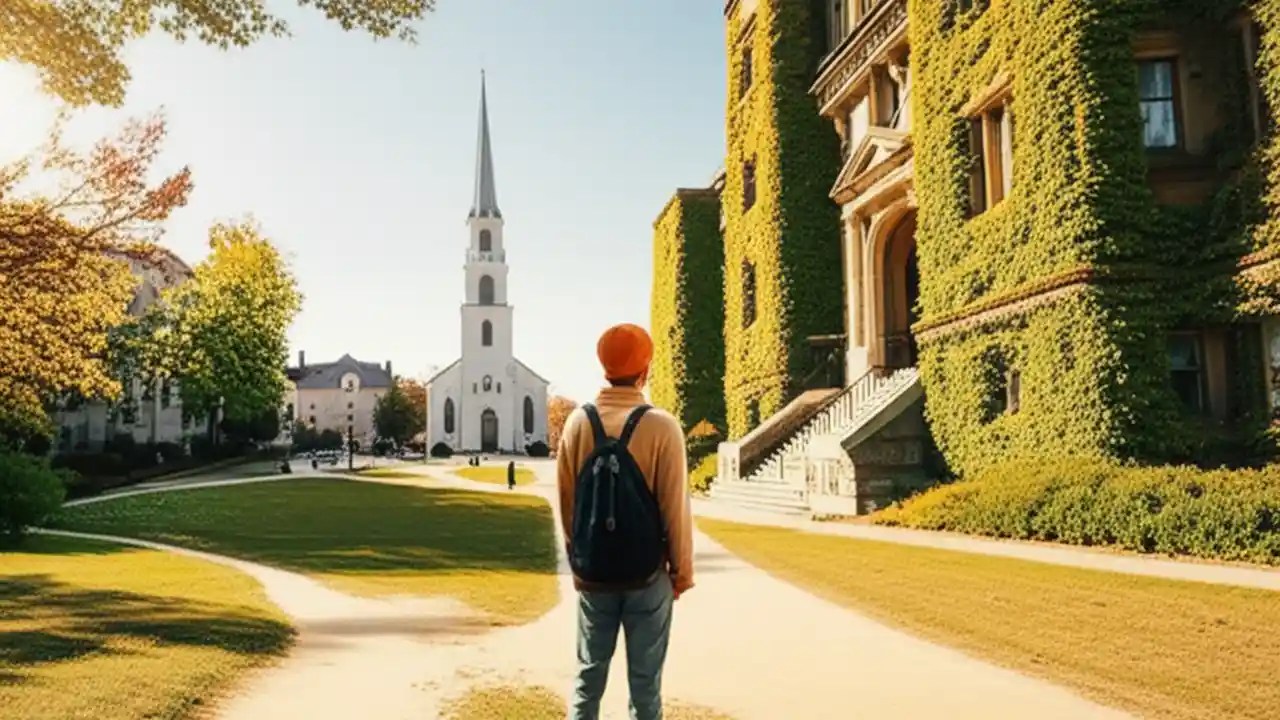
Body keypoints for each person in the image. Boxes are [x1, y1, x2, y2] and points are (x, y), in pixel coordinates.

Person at [556, 323, 694, 720]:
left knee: (587, 682)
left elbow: (568, 503)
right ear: (645, 369)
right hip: (648, 576)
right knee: (646, 690)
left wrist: (580, 560)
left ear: (603, 366)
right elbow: (674, 507)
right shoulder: (661, 426)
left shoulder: (577, 423)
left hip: (595, 573)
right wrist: (680, 573)